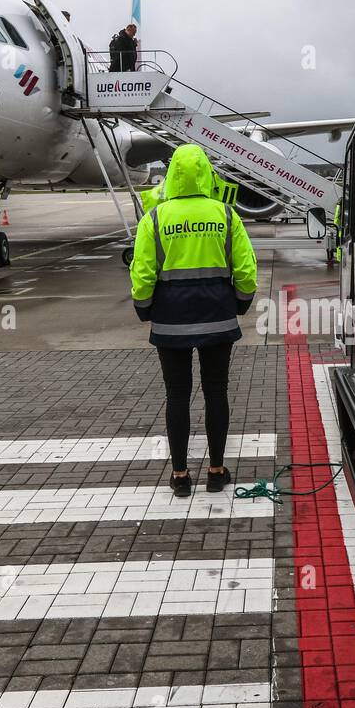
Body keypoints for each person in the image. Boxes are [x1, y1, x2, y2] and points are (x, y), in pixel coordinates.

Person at [130, 144, 258, 497]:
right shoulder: (225, 214)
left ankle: (181, 475)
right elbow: (246, 270)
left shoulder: (154, 218)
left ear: (171, 175)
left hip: (171, 321)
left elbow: (142, 273)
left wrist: (145, 308)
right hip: (217, 317)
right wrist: (241, 304)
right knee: (216, 391)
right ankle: (216, 471)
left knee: (177, 395)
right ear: (205, 173)